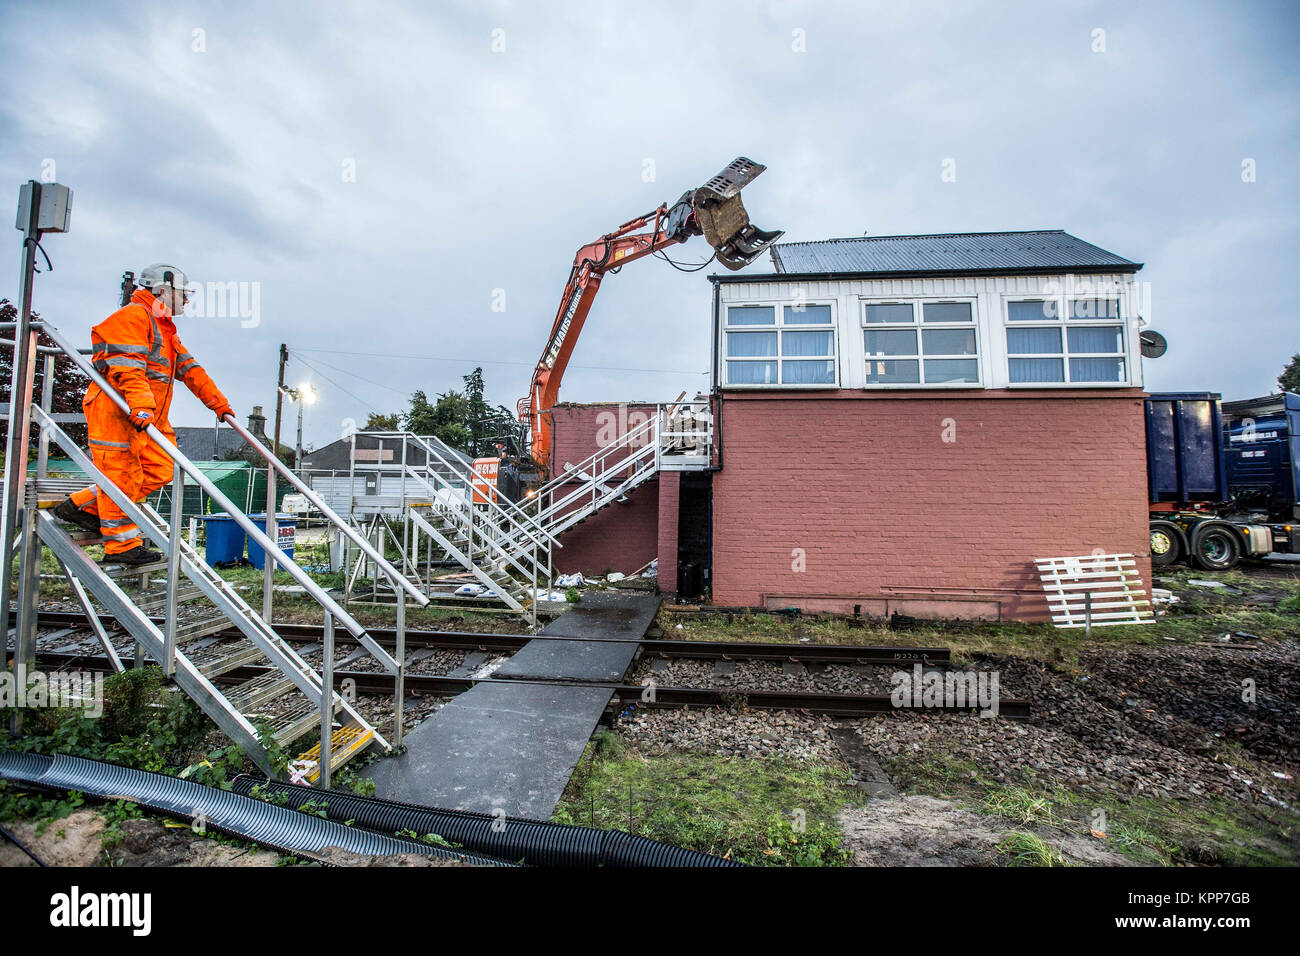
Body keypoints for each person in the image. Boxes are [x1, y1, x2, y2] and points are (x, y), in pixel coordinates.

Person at [54, 264, 233, 565]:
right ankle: (122, 546)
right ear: (162, 290)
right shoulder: (133, 317)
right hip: (119, 414)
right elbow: (127, 366)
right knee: (120, 478)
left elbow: (191, 371)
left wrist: (220, 406)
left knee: (162, 467)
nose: (187, 300)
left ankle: (80, 505)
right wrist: (140, 405)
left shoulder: (163, 327)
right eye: (183, 294)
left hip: (147, 417)